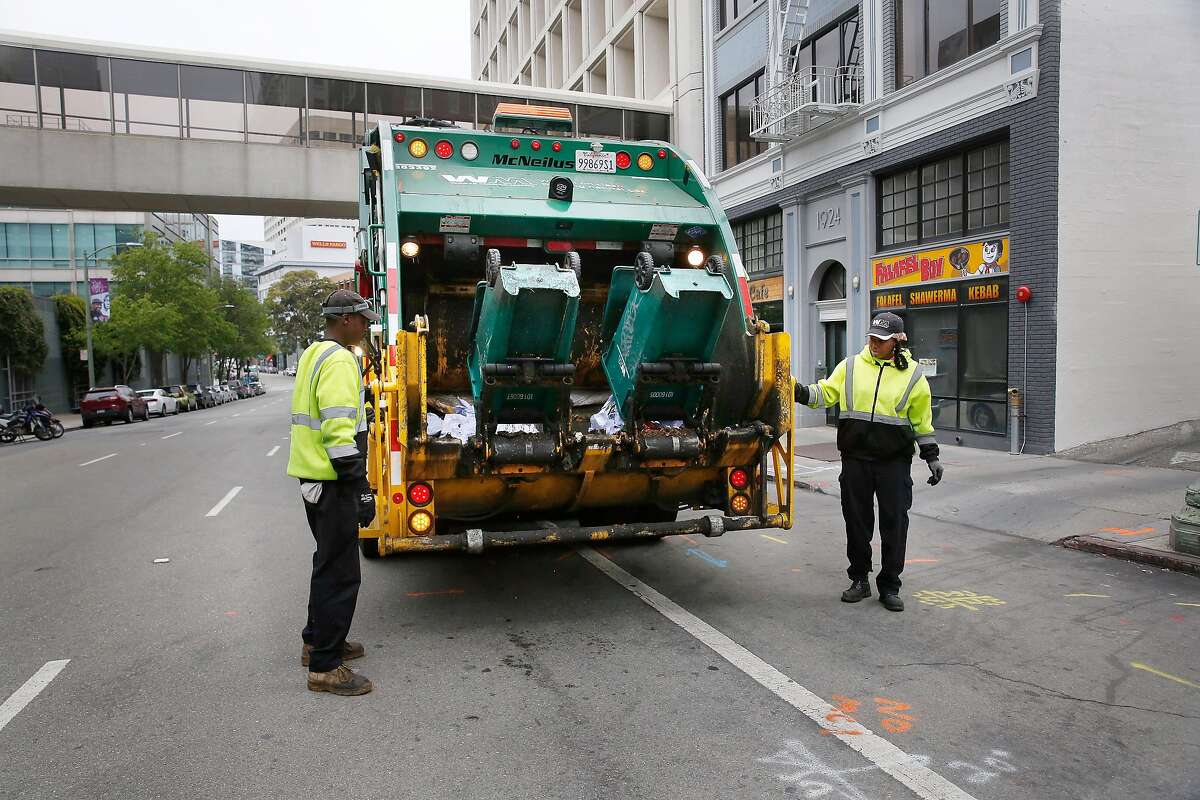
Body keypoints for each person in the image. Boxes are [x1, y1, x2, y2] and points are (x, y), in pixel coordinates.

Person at [794, 312, 943, 612]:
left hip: (894, 463)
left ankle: (889, 585)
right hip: (856, 460)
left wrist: (932, 457)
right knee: (857, 523)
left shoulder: (913, 376)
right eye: (872, 337)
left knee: (894, 524)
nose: (874, 343)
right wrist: (796, 389)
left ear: (897, 342)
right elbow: (824, 394)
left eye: (882, 340)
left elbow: (921, 423)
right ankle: (859, 579)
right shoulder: (850, 367)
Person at [287, 289, 380, 695]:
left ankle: (316, 641)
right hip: (333, 481)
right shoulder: (342, 360)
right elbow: (339, 433)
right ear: (345, 320)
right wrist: (360, 487)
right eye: (362, 319)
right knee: (341, 572)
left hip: (313, 479)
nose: (366, 325)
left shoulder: (314, 353)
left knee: (326, 563)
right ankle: (326, 667)